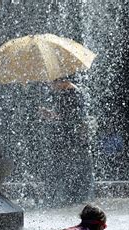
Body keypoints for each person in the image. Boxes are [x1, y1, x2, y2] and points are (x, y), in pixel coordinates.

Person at [40, 78, 94, 207]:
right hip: (74, 138)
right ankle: (73, 197)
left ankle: (71, 198)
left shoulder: (70, 93)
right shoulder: (72, 91)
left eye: (51, 82)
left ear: (59, 82)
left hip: (71, 138)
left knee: (67, 166)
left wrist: (50, 115)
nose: (49, 86)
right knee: (72, 167)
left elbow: (69, 117)